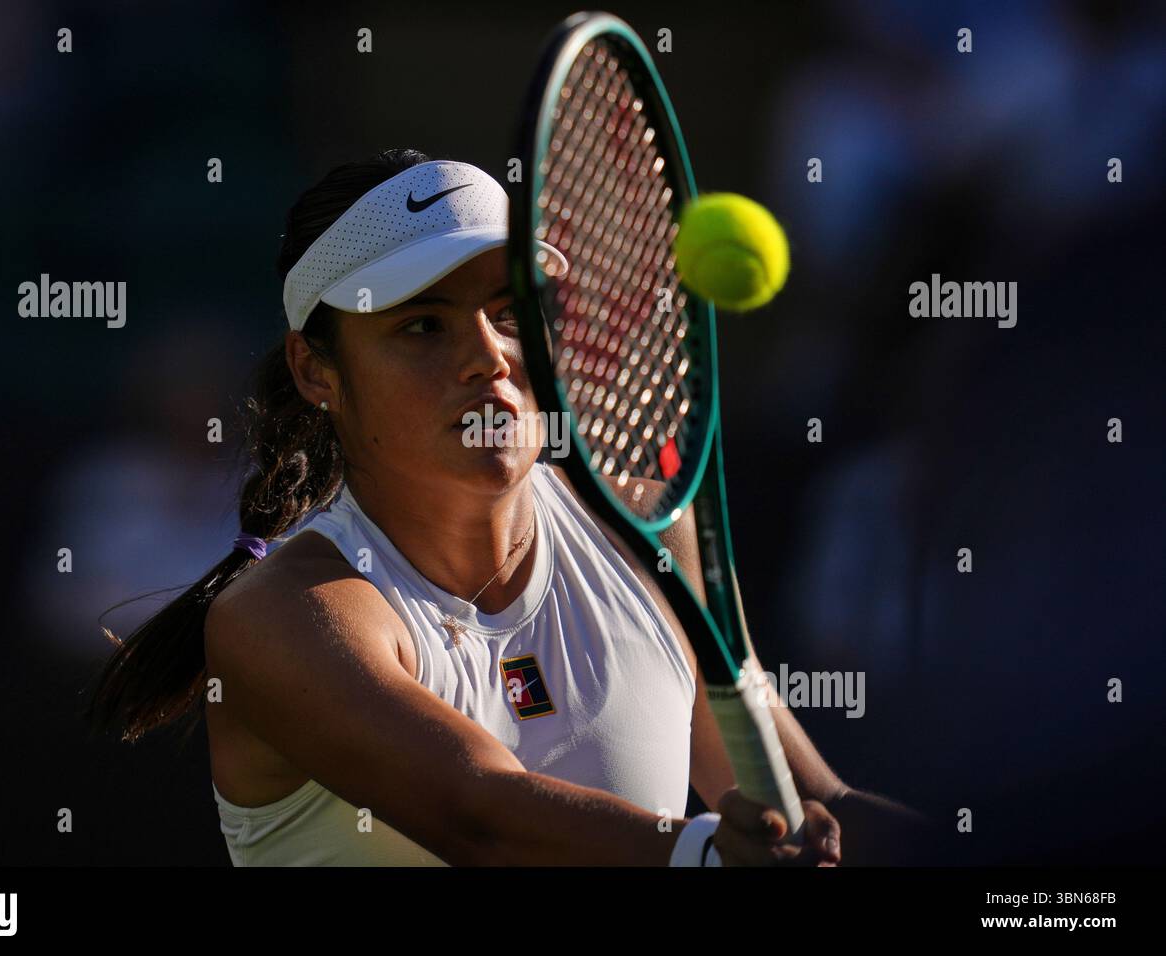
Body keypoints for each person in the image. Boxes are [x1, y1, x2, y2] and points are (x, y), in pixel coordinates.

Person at [88, 147, 915, 865]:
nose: (488, 356)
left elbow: (814, 806)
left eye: (511, 311)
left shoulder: (650, 531)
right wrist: (706, 855)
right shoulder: (285, 616)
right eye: (422, 326)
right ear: (316, 371)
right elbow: (484, 819)